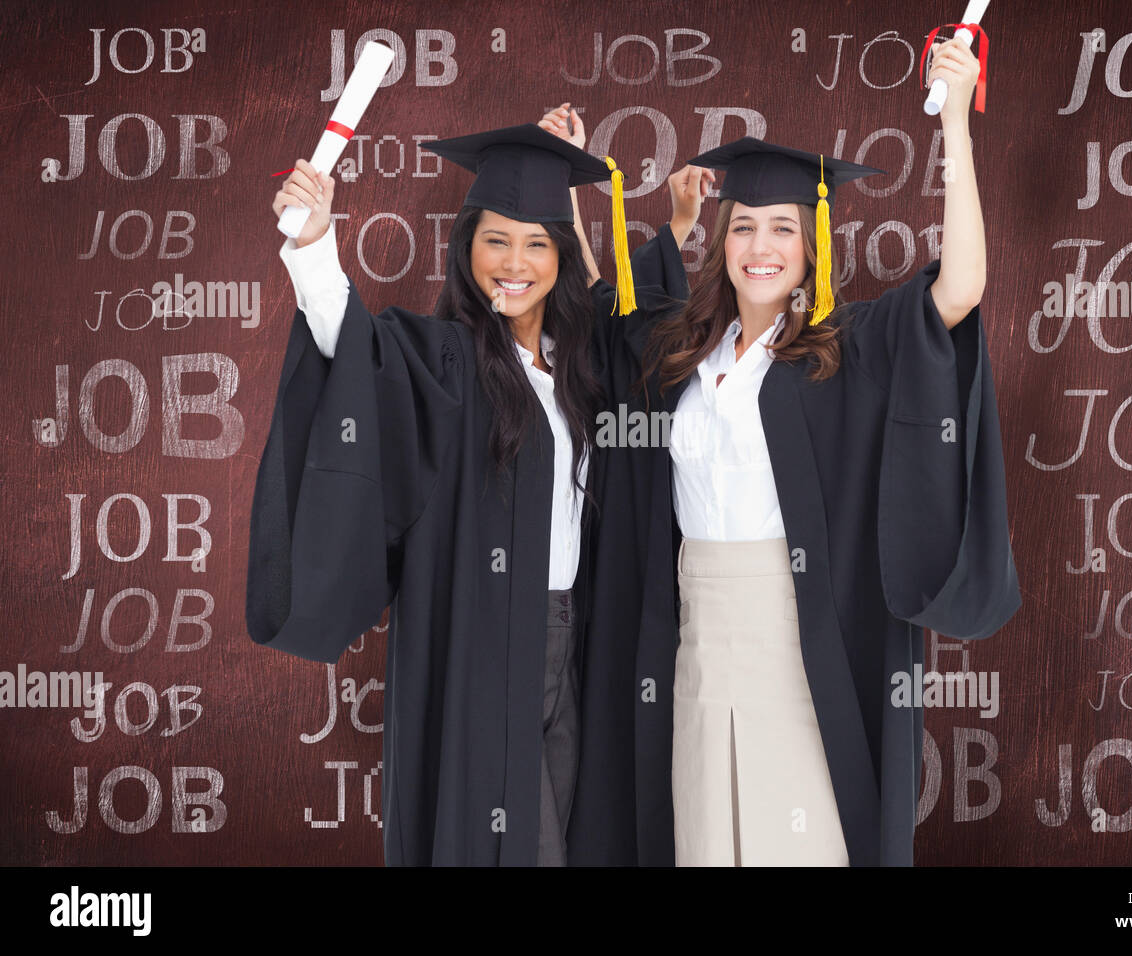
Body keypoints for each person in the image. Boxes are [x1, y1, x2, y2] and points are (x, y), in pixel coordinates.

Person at [244, 120, 699, 866]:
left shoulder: (580, 369)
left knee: (569, 828)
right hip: (485, 638)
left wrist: (671, 226)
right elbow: (351, 342)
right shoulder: (446, 359)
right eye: (496, 241)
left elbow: (624, 314)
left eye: (536, 244)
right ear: (466, 247)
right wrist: (315, 246)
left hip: (572, 638)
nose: (513, 264)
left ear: (558, 256)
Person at [623, 38, 1022, 865]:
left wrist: (956, 123)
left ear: (811, 245)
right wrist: (668, 222)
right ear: (722, 243)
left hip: (795, 636)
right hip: (696, 640)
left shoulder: (842, 348)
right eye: (744, 228)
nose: (760, 246)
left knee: (795, 838)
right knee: (707, 841)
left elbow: (961, 289)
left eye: (781, 228)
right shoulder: (684, 354)